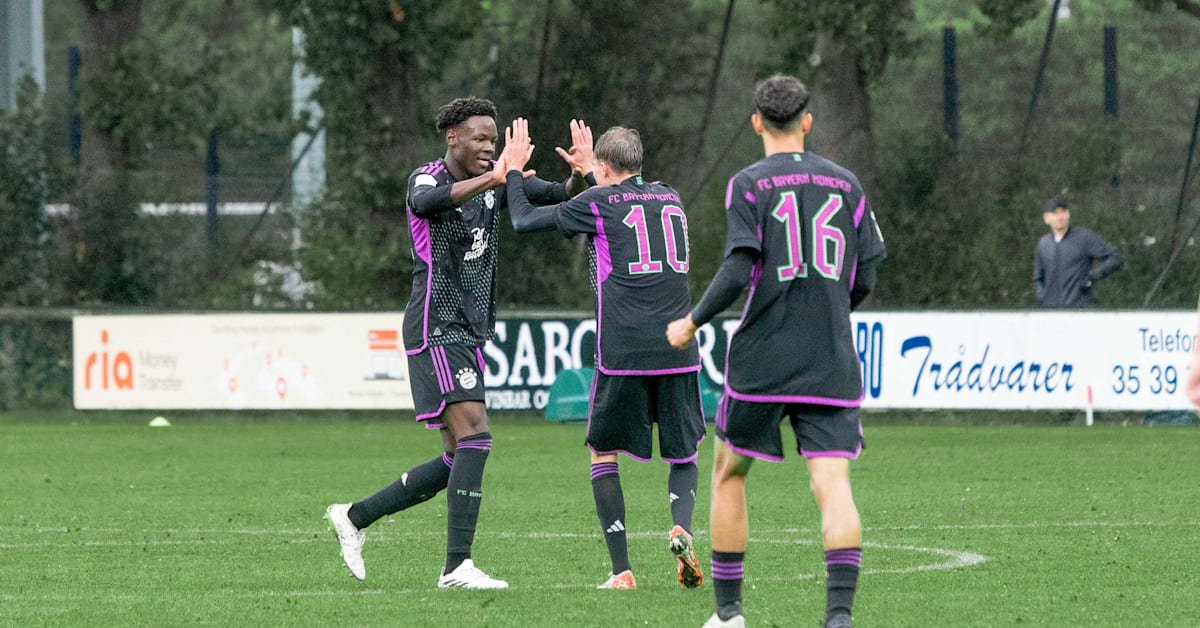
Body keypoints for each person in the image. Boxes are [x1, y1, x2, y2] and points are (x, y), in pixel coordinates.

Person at [325, 97, 592, 589]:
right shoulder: (426, 177)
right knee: (476, 436)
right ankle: (457, 568)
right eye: (480, 138)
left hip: (468, 328)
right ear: (452, 137)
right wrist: (498, 177)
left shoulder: (496, 177)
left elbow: (554, 194)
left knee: (456, 458)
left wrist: (579, 173)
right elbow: (426, 204)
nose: (489, 147)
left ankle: (354, 517)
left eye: (493, 139)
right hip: (435, 325)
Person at [666, 75, 886, 628]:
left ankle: (730, 614)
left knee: (729, 472)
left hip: (762, 357)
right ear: (806, 122)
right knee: (831, 485)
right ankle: (838, 618)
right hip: (830, 357)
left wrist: (692, 322)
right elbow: (868, 272)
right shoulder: (848, 185)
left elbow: (739, 267)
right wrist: (834, 308)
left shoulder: (747, 185)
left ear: (758, 122)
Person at [503, 120, 707, 591]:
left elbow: (523, 220)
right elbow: (625, 202)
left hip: (623, 348)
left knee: (602, 451)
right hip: (680, 345)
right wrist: (591, 171)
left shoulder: (597, 202)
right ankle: (681, 528)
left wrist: (514, 172)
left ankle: (622, 571)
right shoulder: (669, 195)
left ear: (606, 166)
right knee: (683, 452)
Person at [1034, 197, 1122, 308]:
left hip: (1079, 312)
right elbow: (1038, 278)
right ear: (1047, 218)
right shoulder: (1043, 243)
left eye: (1064, 212)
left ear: (1068, 214)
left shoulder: (1084, 237)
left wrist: (1091, 276)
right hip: (1051, 315)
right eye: (1055, 213)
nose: (1060, 217)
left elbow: (1115, 258)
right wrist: (1042, 302)